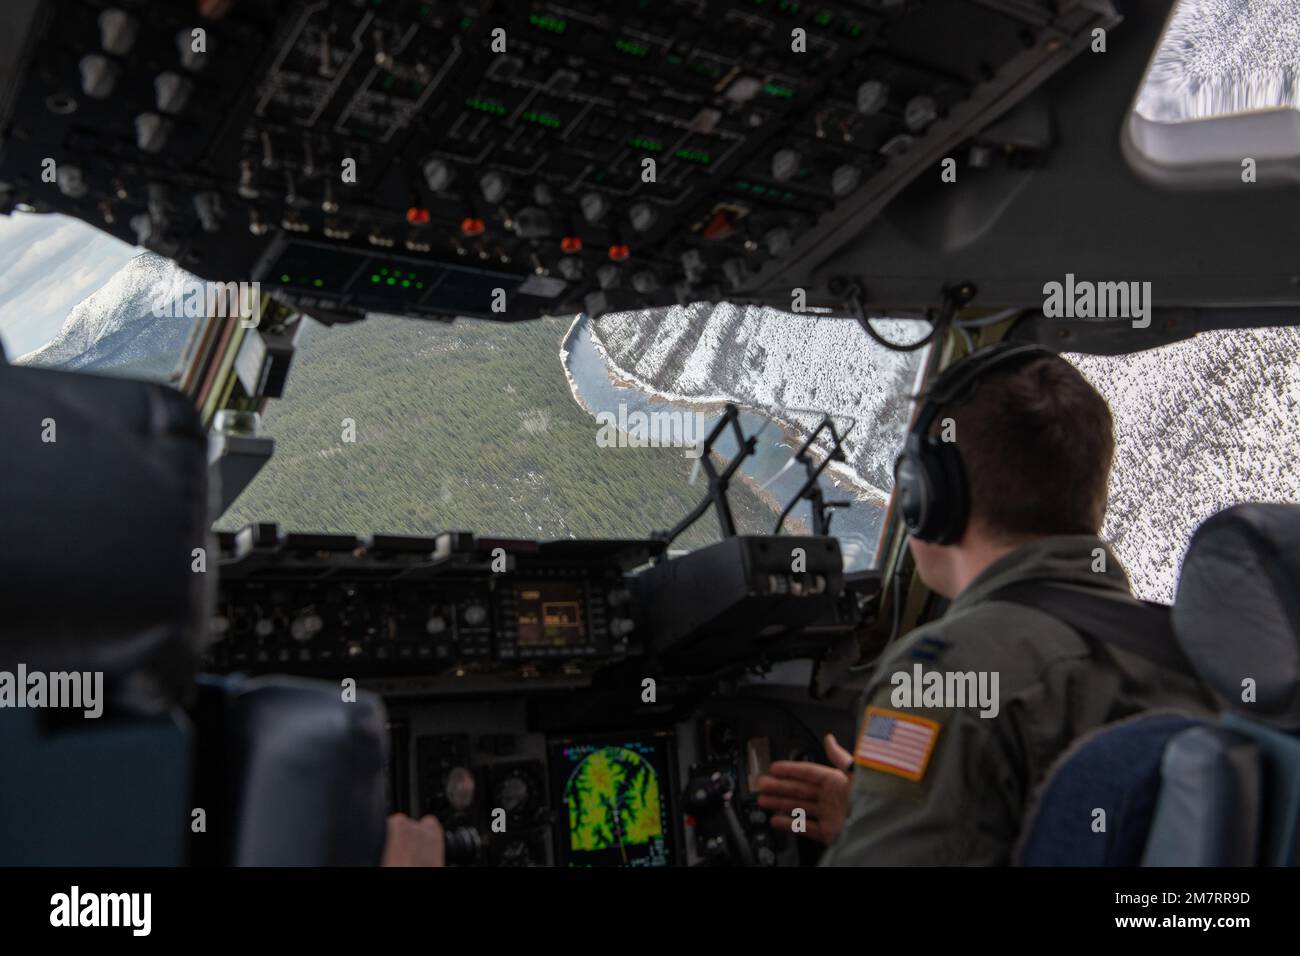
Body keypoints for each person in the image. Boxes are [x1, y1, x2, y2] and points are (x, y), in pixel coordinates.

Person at [756, 345, 1217, 865]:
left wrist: (870, 831)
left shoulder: (938, 675)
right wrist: (871, 814)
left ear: (927, 498)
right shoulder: (1197, 661)